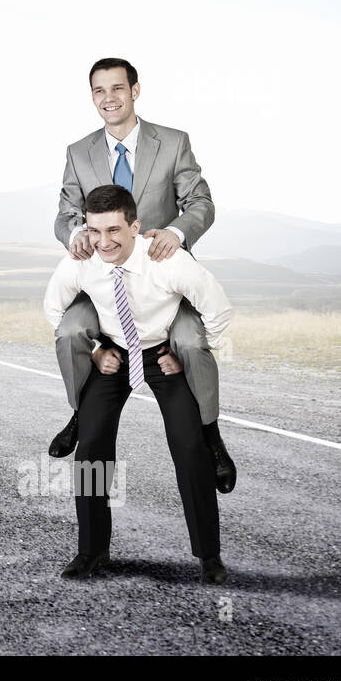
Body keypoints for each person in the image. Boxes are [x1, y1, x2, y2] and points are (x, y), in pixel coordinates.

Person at [50, 57, 235, 494]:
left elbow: (201, 203)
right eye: (99, 91)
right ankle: (81, 413)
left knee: (190, 341)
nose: (108, 98)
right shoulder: (78, 152)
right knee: (68, 331)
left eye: (117, 88)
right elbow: (63, 215)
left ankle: (211, 437)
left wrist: (176, 231)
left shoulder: (172, 142)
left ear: (135, 90)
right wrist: (76, 233)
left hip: (161, 280)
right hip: (104, 279)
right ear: (92, 97)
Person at [44, 185, 233, 583]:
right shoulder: (81, 260)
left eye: (113, 230)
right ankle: (92, 551)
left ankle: (209, 557)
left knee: (189, 446)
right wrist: (95, 351)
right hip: (114, 354)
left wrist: (185, 355)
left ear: (135, 227)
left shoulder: (168, 260)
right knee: (92, 448)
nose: (103, 241)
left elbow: (217, 307)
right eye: (95, 231)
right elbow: (54, 309)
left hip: (162, 355)